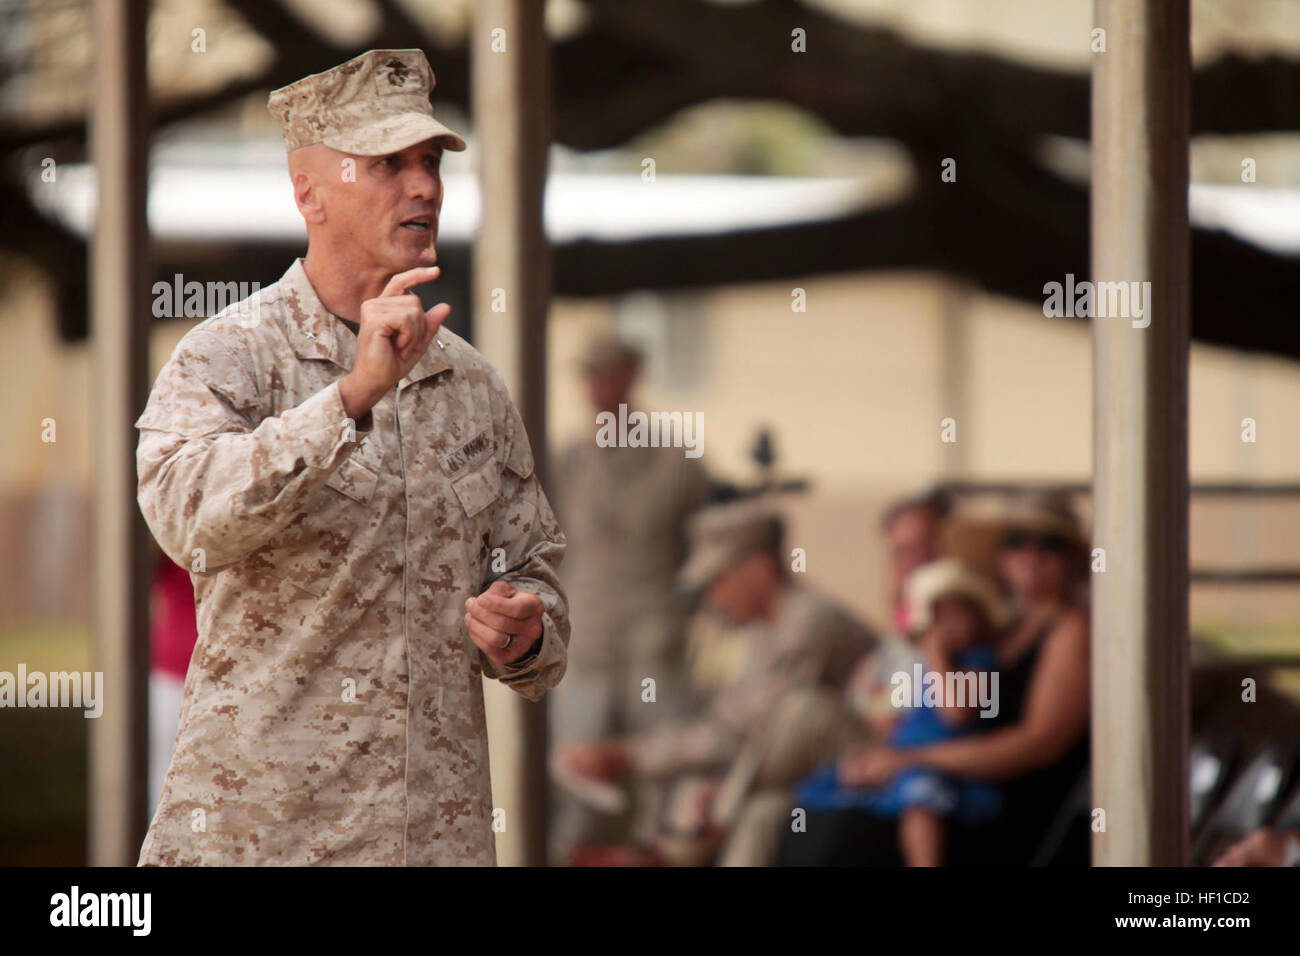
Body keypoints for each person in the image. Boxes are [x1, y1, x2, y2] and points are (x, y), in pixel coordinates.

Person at [134, 49, 569, 866]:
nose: (425, 186)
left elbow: (534, 571)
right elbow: (186, 518)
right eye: (388, 164)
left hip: (430, 840)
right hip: (262, 839)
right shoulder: (226, 357)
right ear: (309, 190)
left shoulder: (472, 384)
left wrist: (525, 629)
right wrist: (348, 399)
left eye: (432, 161)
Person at [777, 491, 1090, 866]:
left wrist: (911, 758)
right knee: (807, 817)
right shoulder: (1003, 628)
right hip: (962, 787)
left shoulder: (1071, 628)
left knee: (843, 833)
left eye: (1050, 544)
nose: (1031, 554)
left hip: (1007, 812)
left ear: (1072, 558)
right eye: (1016, 540)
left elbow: (1039, 744)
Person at [556, 500, 876, 864]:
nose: (712, 599)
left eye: (717, 580)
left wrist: (632, 759)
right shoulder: (760, 630)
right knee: (760, 814)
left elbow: (750, 733)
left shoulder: (808, 621)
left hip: (861, 763)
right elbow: (726, 727)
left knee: (799, 713)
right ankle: (665, 849)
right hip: (800, 781)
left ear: (759, 568)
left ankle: (659, 852)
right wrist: (631, 756)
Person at [548, 334, 712, 862]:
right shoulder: (569, 460)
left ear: (632, 375)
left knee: (665, 770)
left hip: (653, 634)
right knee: (575, 769)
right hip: (589, 635)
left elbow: (704, 552)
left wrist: (684, 612)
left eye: (609, 373)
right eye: (590, 374)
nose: (598, 387)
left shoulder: (676, 460)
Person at [793, 558, 1006, 866]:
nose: (947, 625)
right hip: (902, 755)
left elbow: (957, 713)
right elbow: (897, 718)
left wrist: (937, 654)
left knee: (919, 798)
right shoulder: (920, 667)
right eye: (937, 616)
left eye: (958, 612)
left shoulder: (978, 663)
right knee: (823, 785)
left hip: (946, 765)